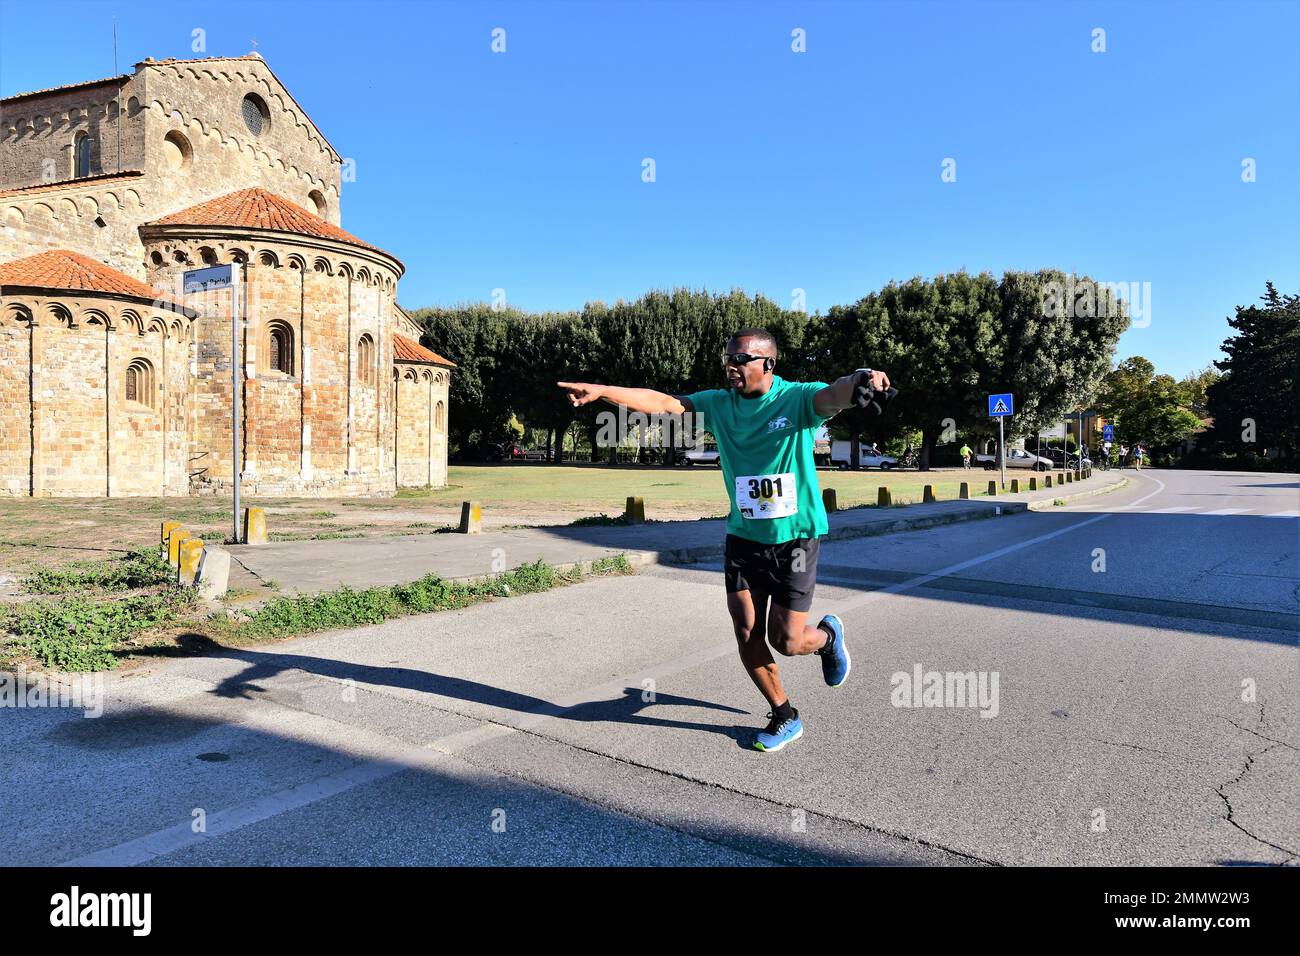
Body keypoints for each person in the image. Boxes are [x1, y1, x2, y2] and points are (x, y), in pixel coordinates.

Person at [558, 328, 893, 753]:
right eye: (728, 359)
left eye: (741, 359)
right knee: (747, 630)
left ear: (768, 364)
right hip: (743, 537)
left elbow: (834, 395)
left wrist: (862, 378)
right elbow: (663, 402)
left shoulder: (795, 399)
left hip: (795, 540)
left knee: (788, 641)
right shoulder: (720, 404)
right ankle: (785, 714)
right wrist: (605, 391)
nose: (731, 367)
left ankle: (827, 636)